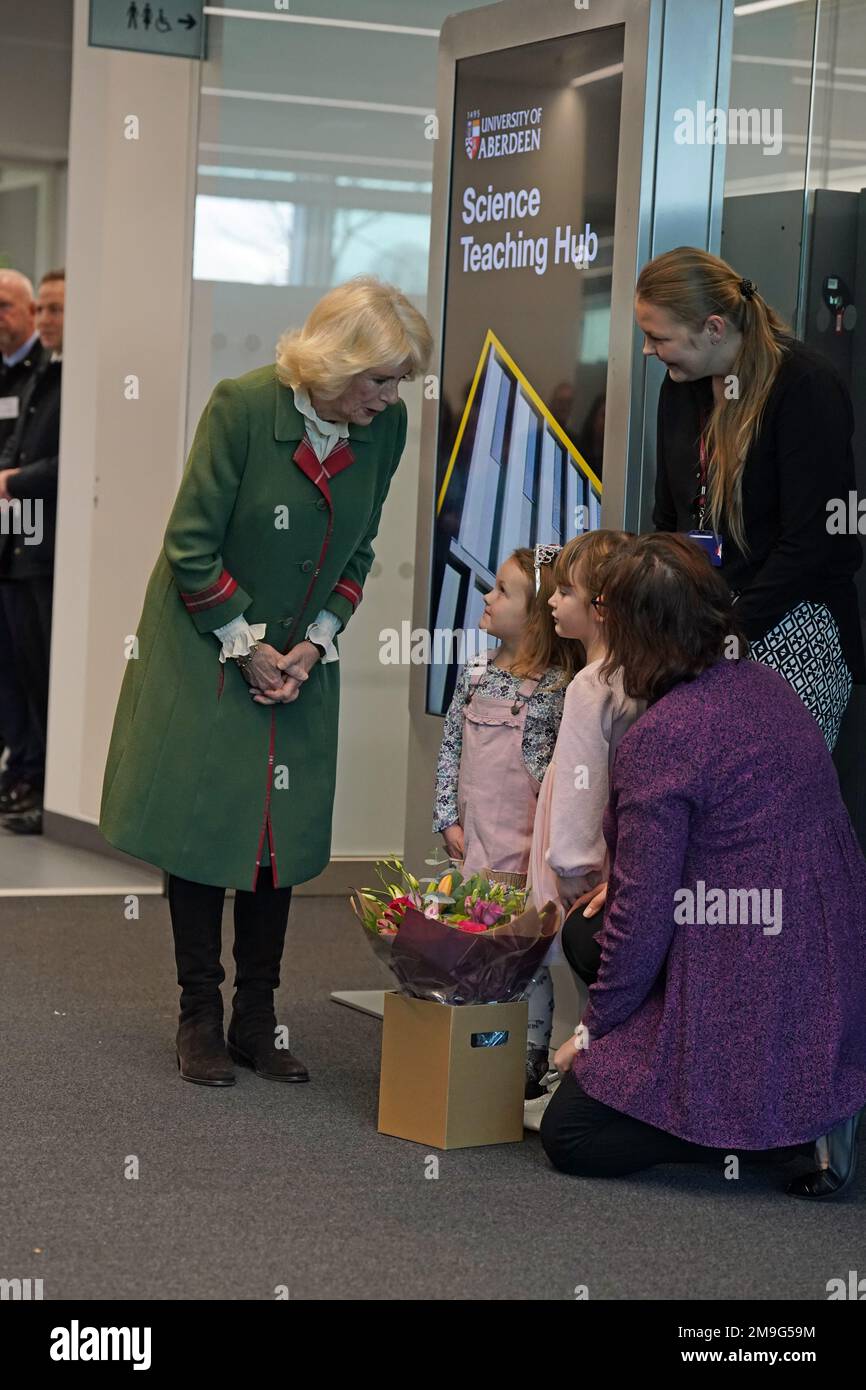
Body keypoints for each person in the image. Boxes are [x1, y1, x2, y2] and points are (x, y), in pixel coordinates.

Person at [100, 275, 433, 1087]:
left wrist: (314, 648)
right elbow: (190, 548)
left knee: (273, 843)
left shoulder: (381, 433)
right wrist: (247, 645)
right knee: (208, 826)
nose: (391, 399)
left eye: (401, 383)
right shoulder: (243, 407)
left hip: (299, 659)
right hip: (206, 641)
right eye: (380, 379)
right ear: (335, 360)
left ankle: (257, 1017)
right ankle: (199, 1015)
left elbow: (356, 555)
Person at [540, 533, 866, 1200]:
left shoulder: (664, 738)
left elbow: (642, 921)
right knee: (589, 931)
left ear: (632, 629)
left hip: (750, 972)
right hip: (827, 955)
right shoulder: (765, 687)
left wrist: (590, 1031)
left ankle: (776, 1134)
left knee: (571, 1135)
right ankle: (798, 1113)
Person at [637, 246, 865, 751]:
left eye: (658, 337)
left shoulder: (805, 385)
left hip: (793, 622)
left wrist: (727, 632)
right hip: (705, 625)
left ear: (714, 328)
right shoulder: (682, 387)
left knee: (763, 801)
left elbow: (812, 544)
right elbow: (671, 518)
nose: (649, 351)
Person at [432, 543, 579, 1094]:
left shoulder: (557, 692)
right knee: (474, 942)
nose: (487, 597)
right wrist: (446, 814)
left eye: (502, 591)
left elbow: (559, 775)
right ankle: (479, 1040)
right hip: (474, 844)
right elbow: (450, 748)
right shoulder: (475, 675)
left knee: (527, 957)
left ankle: (529, 1053)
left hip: (524, 852)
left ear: (536, 616)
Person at [524, 532, 643, 1111]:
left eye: (565, 591)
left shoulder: (589, 687)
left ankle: (577, 1083)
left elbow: (583, 781)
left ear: (600, 606)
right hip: (616, 857)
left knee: (579, 971)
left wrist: (571, 864)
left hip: (582, 863)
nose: (552, 600)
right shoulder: (635, 676)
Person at [0, 269, 64, 832]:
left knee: (42, 673)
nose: (45, 320)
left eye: (53, 310)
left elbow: (72, 462)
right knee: (14, 673)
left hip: (45, 552)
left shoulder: (61, 376)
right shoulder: (37, 376)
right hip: (13, 549)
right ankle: (21, 773)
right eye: (41, 309)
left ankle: (43, 782)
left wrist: (13, 481)